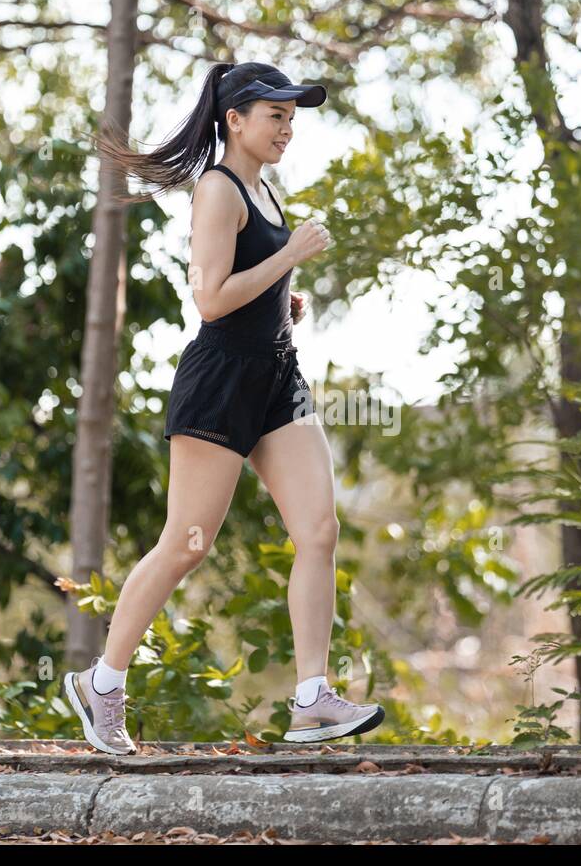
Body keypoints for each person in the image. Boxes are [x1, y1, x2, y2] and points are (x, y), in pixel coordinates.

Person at [64, 61, 385, 754]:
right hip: (220, 382)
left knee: (319, 532)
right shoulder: (217, 188)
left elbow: (245, 281)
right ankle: (103, 683)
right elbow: (208, 299)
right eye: (277, 116)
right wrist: (290, 255)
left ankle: (311, 700)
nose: (288, 129)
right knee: (187, 542)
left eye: (293, 118)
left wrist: (282, 299)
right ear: (234, 119)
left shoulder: (264, 188)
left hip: (276, 377)